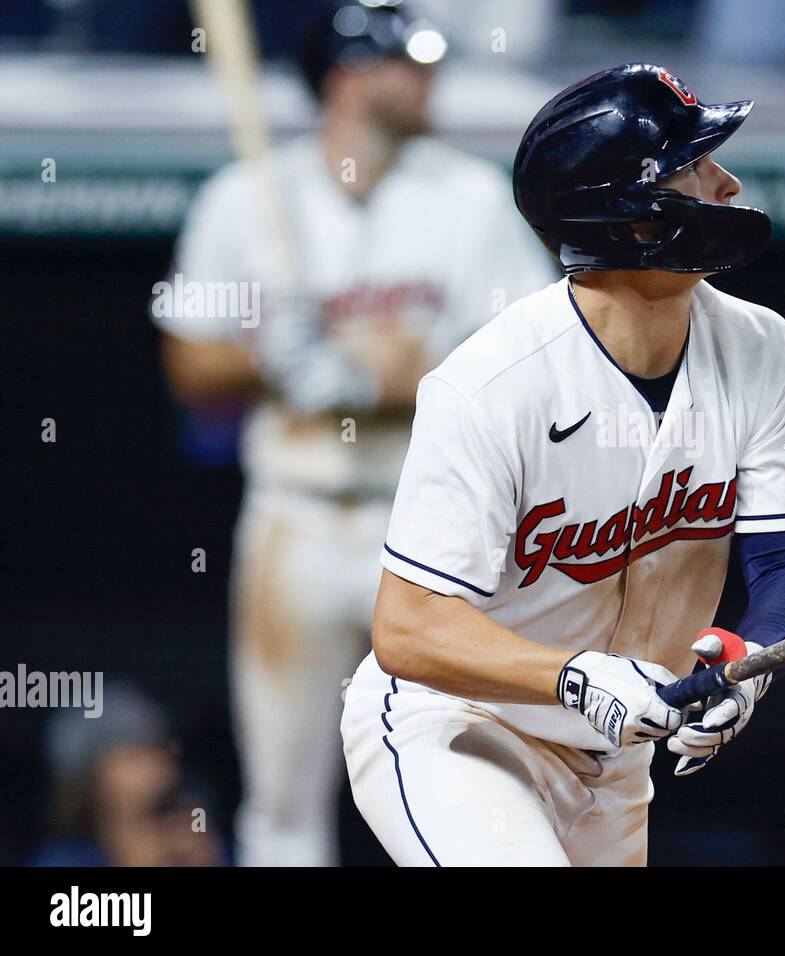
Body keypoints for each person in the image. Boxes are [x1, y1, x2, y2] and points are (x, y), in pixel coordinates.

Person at [340, 63, 785, 866]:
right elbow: (406, 628)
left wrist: (749, 660)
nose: (728, 182)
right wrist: (572, 675)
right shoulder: (491, 385)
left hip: (615, 757)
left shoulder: (766, 351)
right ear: (635, 222)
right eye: (696, 168)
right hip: (463, 728)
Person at [154, 0, 555, 866]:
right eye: (404, 63)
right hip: (294, 519)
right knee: (285, 800)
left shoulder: (470, 198)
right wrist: (276, 357)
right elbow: (189, 363)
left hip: (429, 527)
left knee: (467, 776)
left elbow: (534, 362)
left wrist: (391, 375)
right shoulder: (247, 196)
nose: (427, 77)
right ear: (346, 80)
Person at [28, 683, 223, 867]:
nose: (157, 763)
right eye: (134, 753)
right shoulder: (63, 859)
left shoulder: (194, 825)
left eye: (157, 747)